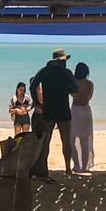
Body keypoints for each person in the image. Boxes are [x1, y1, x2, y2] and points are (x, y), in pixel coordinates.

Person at [29, 48, 77, 178]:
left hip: (48, 109)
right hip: (63, 109)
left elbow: (32, 86)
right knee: (66, 140)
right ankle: (68, 168)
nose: (65, 63)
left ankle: (43, 168)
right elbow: (75, 89)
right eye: (64, 60)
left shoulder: (44, 71)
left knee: (46, 141)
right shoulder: (66, 73)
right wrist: (65, 88)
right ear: (61, 61)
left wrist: (37, 102)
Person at [70, 60, 96, 173]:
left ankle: (77, 164)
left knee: (72, 139)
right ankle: (84, 166)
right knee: (85, 139)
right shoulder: (90, 84)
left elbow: (73, 94)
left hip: (76, 110)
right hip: (86, 109)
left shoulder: (75, 83)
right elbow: (89, 97)